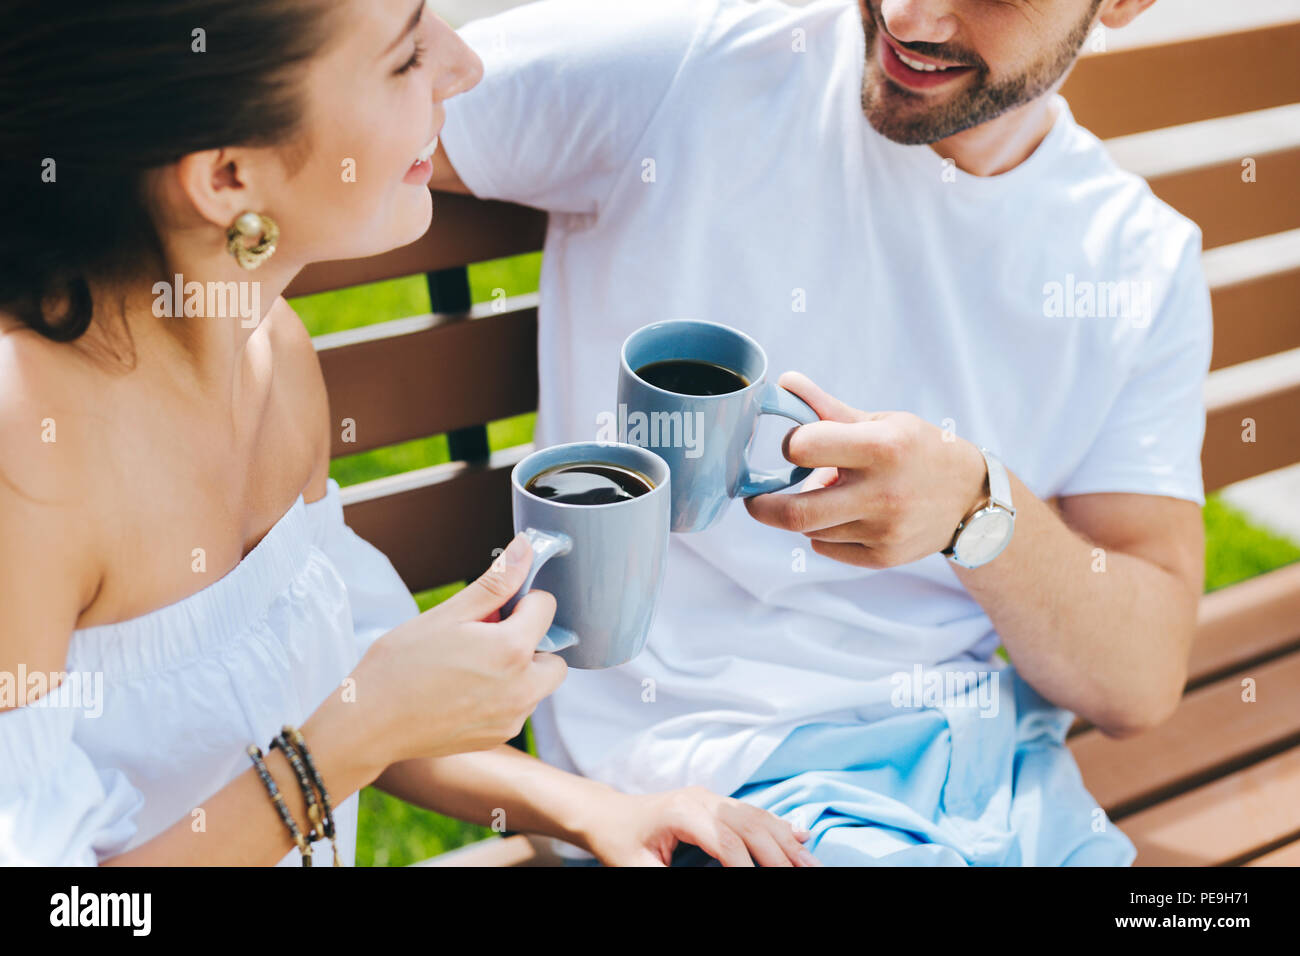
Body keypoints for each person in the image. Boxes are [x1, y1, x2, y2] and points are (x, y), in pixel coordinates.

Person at [0, 0, 817, 867]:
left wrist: (601, 811)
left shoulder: (271, 354)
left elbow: (351, 676)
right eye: (403, 58)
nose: (462, 65)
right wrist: (352, 735)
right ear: (228, 178)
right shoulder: (28, 454)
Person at [429, 0, 1211, 865]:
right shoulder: (690, 63)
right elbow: (318, 109)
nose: (911, 15)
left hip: (985, 781)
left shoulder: (1137, 261)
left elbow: (1137, 681)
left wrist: (978, 512)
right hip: (715, 790)